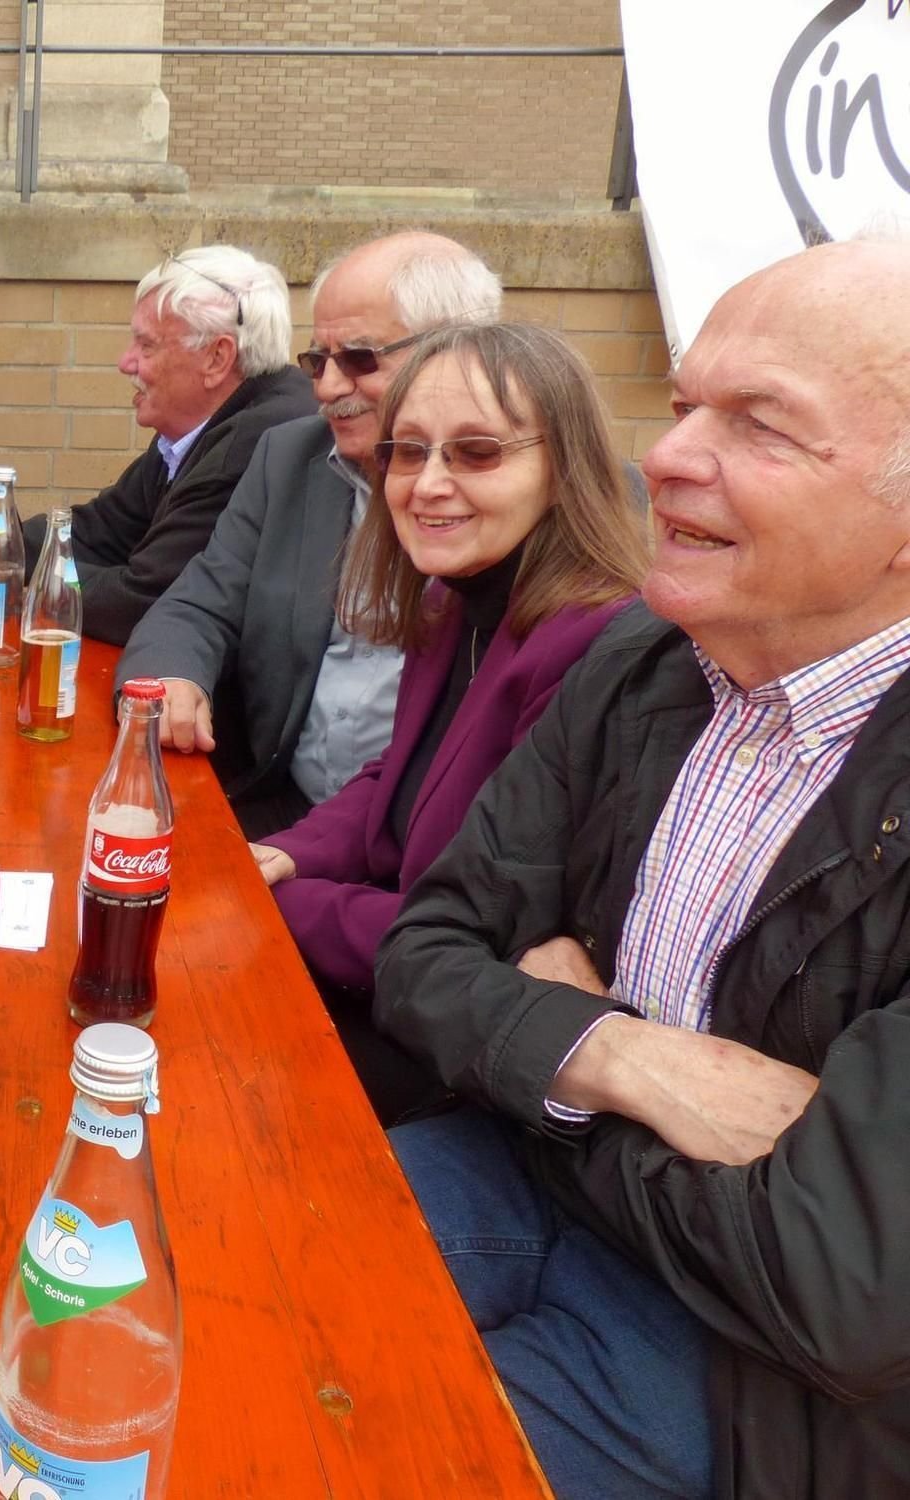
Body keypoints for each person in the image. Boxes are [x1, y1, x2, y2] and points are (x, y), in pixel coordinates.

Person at [375, 235, 910, 1499]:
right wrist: (619, 1056)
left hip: (738, 1370)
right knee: (182, 1274)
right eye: (681, 407)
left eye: (760, 425)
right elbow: (425, 948)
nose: (665, 457)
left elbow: (836, 1287)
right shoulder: (642, 666)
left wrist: (544, 1047)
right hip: (520, 1171)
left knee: (362, 1454)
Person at [250, 323, 646, 1122]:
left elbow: (484, 940)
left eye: (476, 453)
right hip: (395, 971)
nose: (426, 483)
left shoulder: (591, 642)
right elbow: (397, 779)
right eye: (408, 450)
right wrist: (276, 856)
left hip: (469, 1061)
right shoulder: (451, 601)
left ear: (564, 471)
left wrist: (273, 903)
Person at [117, 231, 504, 837]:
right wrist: (173, 677)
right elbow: (194, 603)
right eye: (318, 361)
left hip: (426, 849)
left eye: (358, 359)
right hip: (281, 808)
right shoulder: (291, 456)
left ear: (455, 350)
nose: (326, 388)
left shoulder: (522, 495)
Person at [0, 245, 314, 645]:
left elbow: (139, 600)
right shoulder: (206, 428)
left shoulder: (249, 446)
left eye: (147, 345)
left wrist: (5, 584)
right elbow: (98, 529)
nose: (125, 363)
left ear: (217, 358)